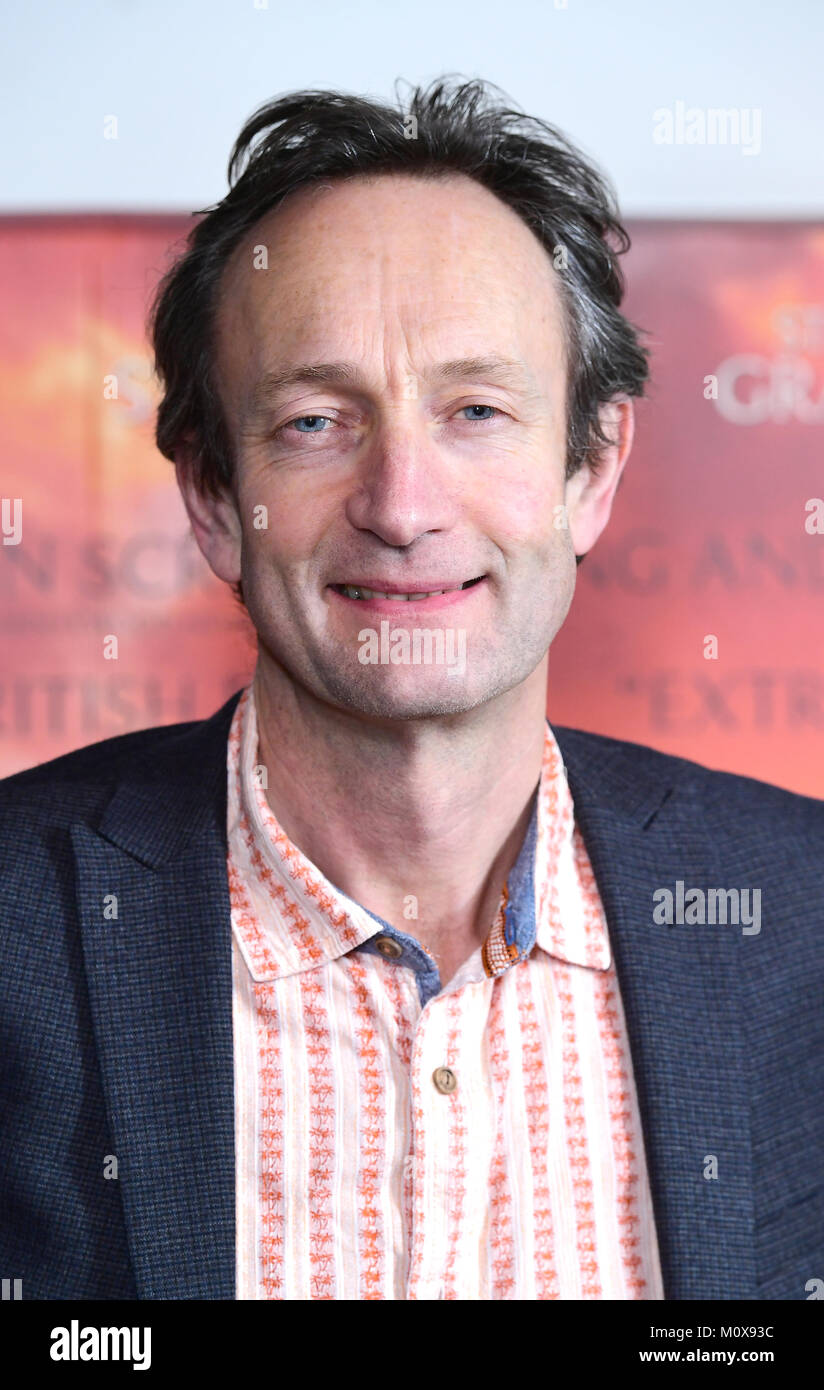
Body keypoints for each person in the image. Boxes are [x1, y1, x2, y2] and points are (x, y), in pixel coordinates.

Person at [1, 77, 822, 1302]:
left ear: (589, 471)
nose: (400, 506)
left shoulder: (797, 915)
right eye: (317, 422)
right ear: (214, 497)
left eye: (475, 410)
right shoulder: (19, 922)